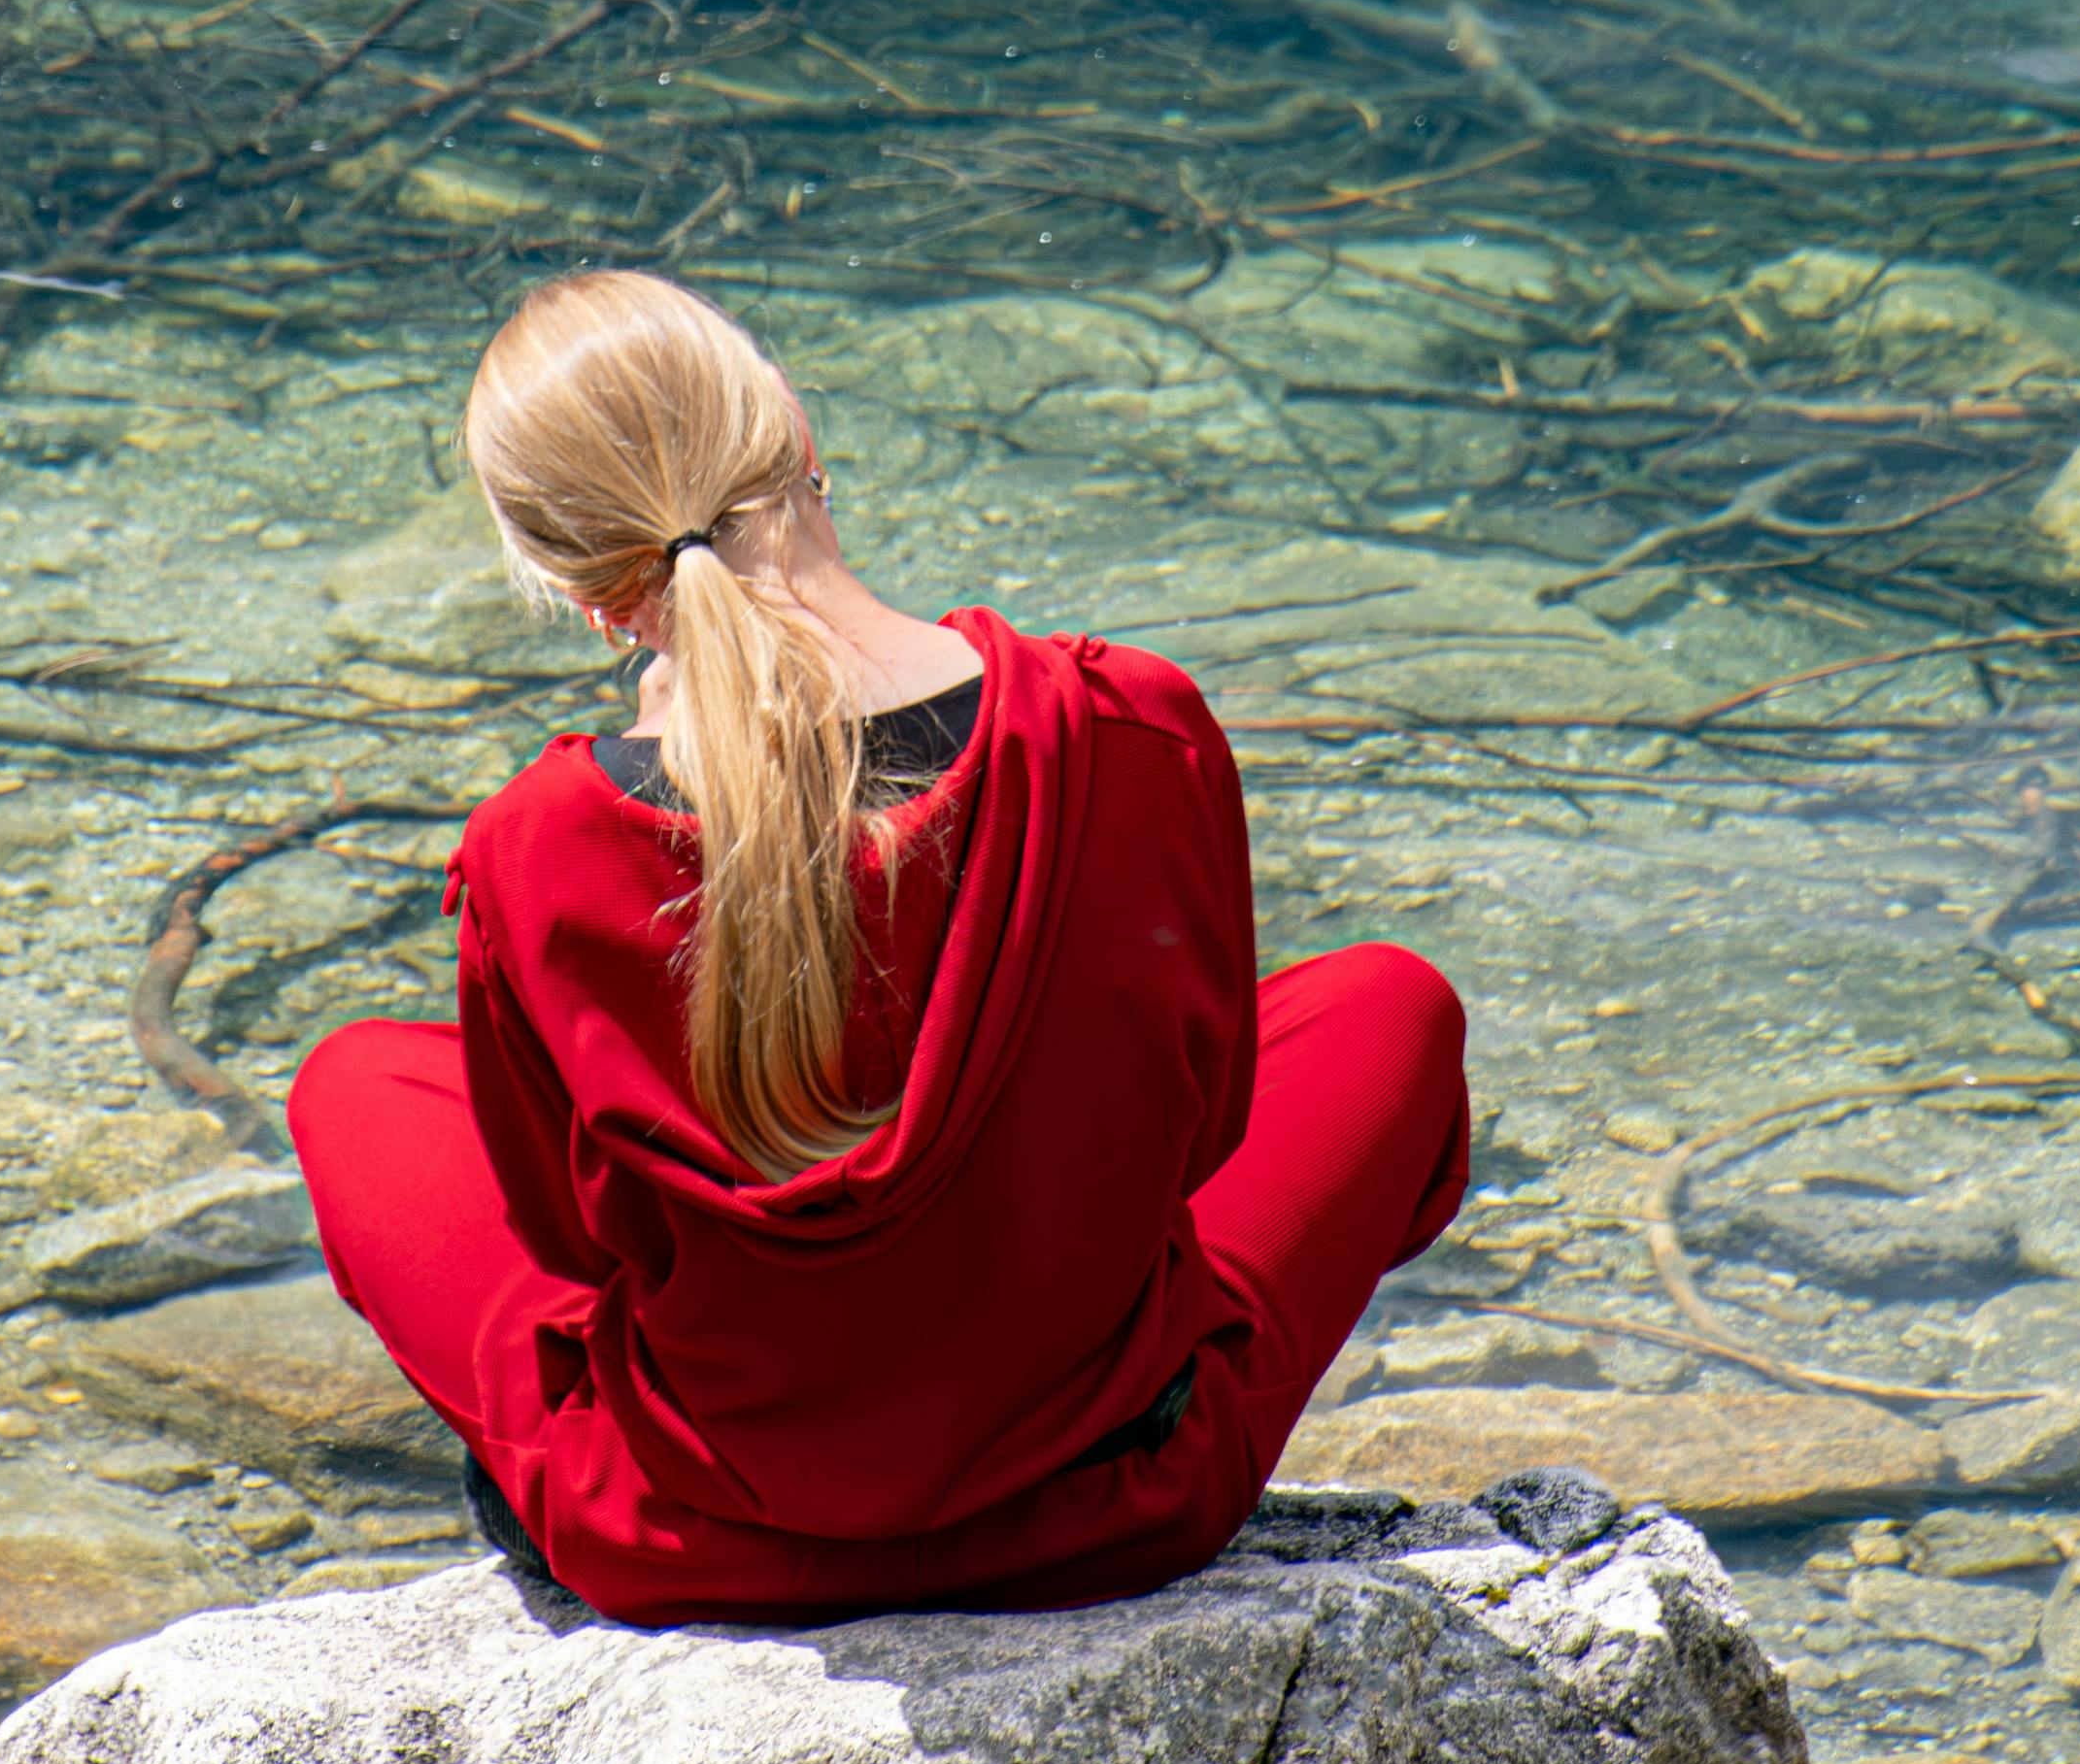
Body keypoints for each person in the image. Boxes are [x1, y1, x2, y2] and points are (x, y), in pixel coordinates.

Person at [285, 269, 1473, 1624]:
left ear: (585, 592)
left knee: (357, 1084)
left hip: (693, 1533)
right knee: (1388, 1004)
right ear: (791, 423)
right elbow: (1201, 1136)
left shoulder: (540, 846)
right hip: (1121, 1501)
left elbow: (571, 1243)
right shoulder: (1128, 726)